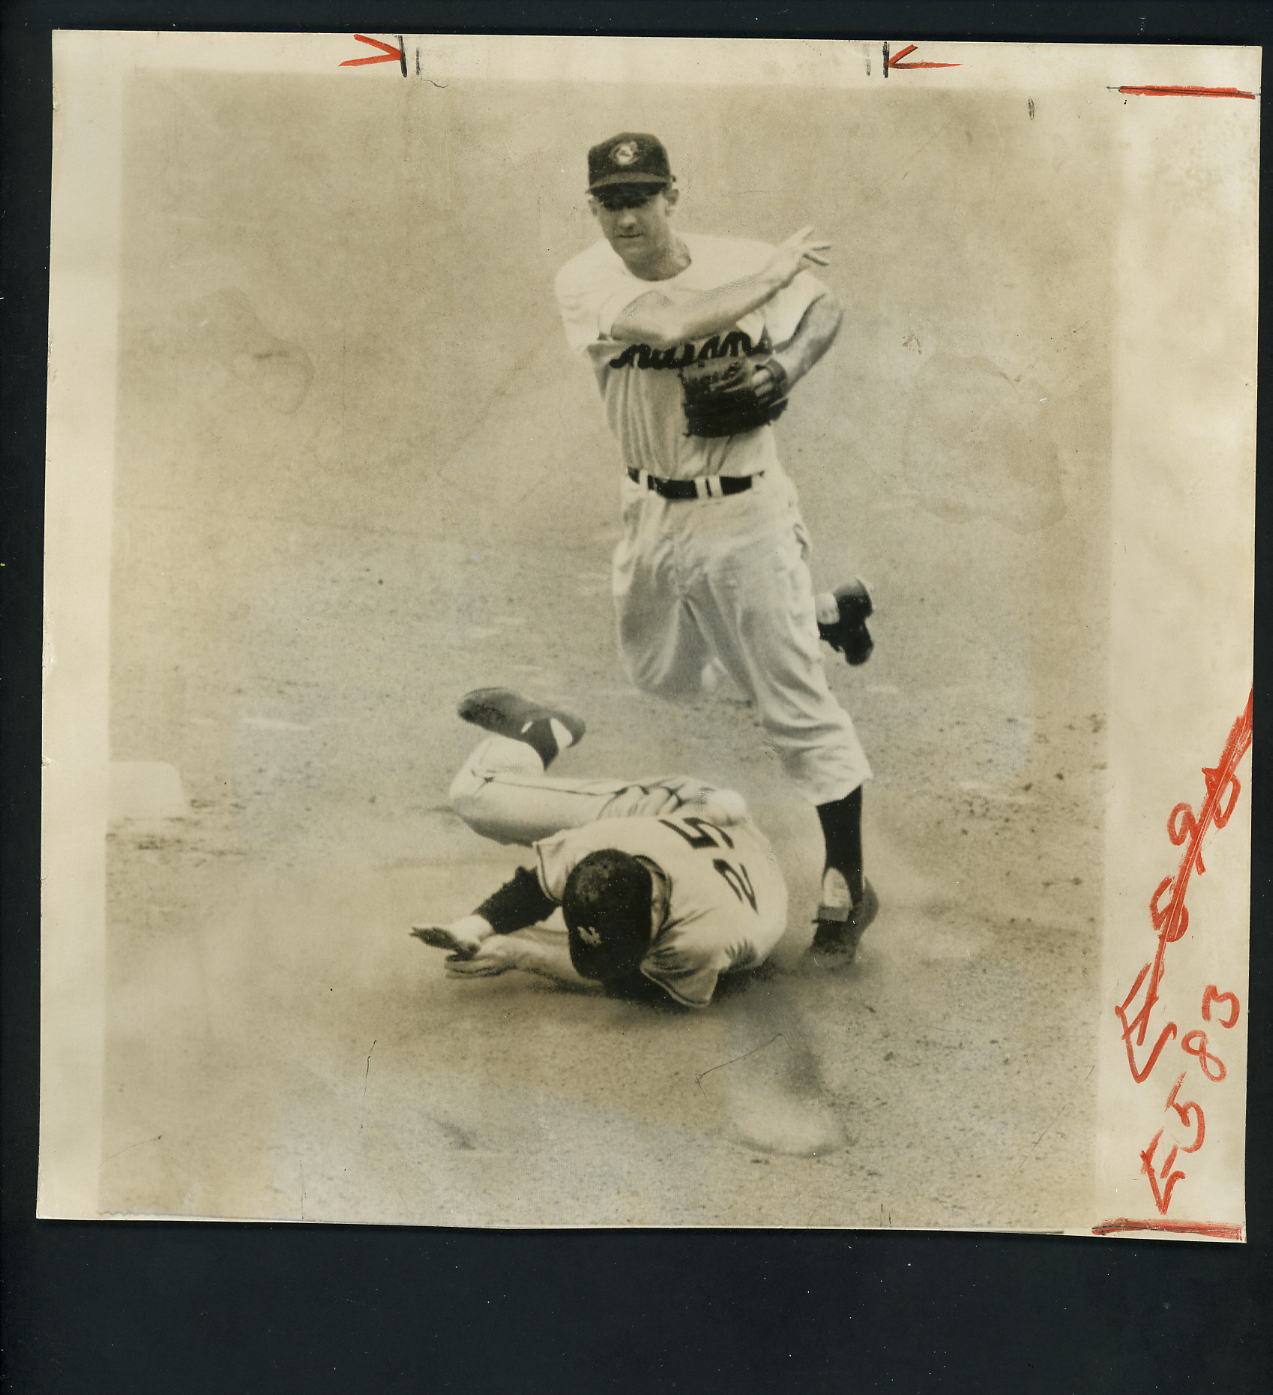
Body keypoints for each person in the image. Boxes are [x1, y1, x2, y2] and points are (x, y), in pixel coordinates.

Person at [552, 130, 878, 952]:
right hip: (650, 512)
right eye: (612, 201)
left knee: (792, 703)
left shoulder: (734, 255)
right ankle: (821, 615)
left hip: (748, 513)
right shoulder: (585, 278)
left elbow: (824, 308)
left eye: (642, 196)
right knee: (659, 673)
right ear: (593, 207)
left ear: (673, 195)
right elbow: (666, 324)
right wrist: (769, 275)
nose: (628, 215)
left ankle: (846, 883)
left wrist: (787, 369)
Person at [410, 687, 792, 1007]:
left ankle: (540, 733)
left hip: (714, 829)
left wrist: (520, 954)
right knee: (474, 798)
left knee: (475, 796)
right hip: (678, 814)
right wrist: (472, 927)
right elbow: (536, 886)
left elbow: (632, 983)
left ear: (658, 906)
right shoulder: (600, 843)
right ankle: (543, 732)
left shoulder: (701, 942)